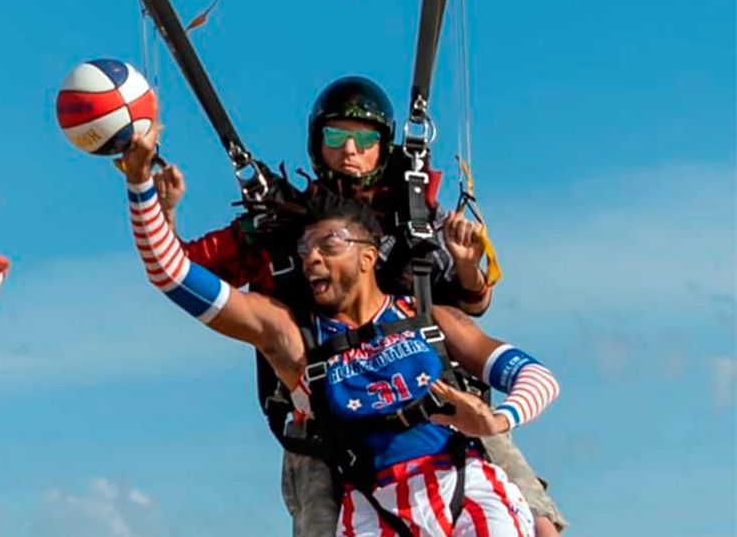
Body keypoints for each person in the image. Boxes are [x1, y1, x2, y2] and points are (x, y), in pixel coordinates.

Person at [154, 76, 567, 534]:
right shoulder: (277, 224)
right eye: (335, 137)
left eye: (365, 138)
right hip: (323, 417)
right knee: (319, 520)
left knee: (537, 520)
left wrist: (469, 268)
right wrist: (158, 207)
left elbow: (470, 308)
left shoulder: (415, 218)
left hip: (435, 410)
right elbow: (182, 271)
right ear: (317, 145)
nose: (349, 150)